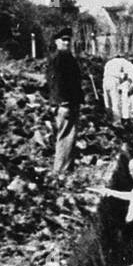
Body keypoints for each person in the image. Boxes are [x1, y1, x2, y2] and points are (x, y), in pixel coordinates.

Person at [45, 29, 83, 176]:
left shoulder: (69, 58)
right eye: (63, 40)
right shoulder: (58, 60)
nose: (66, 42)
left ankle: (67, 168)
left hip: (72, 103)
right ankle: (61, 171)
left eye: (68, 40)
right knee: (65, 136)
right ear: (56, 42)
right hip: (65, 104)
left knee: (70, 137)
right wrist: (63, 103)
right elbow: (56, 84)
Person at [103, 56, 133, 122]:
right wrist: (132, 84)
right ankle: (117, 121)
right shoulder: (126, 63)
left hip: (105, 80)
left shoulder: (109, 62)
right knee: (115, 101)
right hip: (114, 80)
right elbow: (132, 76)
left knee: (107, 101)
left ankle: (109, 117)